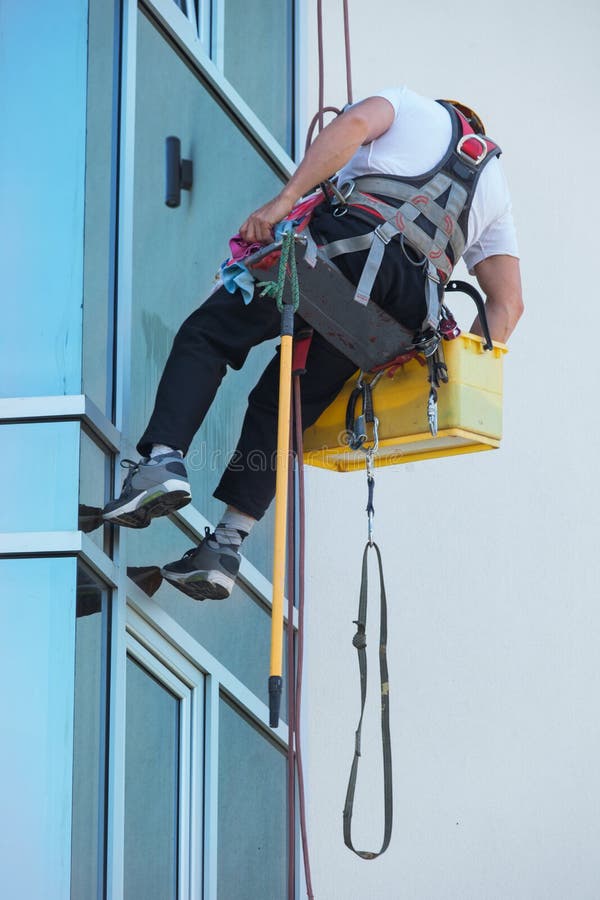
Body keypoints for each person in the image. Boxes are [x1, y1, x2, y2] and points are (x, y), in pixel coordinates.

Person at [103, 86, 524, 600]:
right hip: (398, 319)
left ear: (450, 108)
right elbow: (507, 306)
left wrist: (283, 201)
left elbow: (349, 129)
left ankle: (162, 461)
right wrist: (447, 382)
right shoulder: (495, 188)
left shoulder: (411, 105)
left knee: (210, 332)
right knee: (283, 403)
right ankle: (227, 545)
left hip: (340, 257)